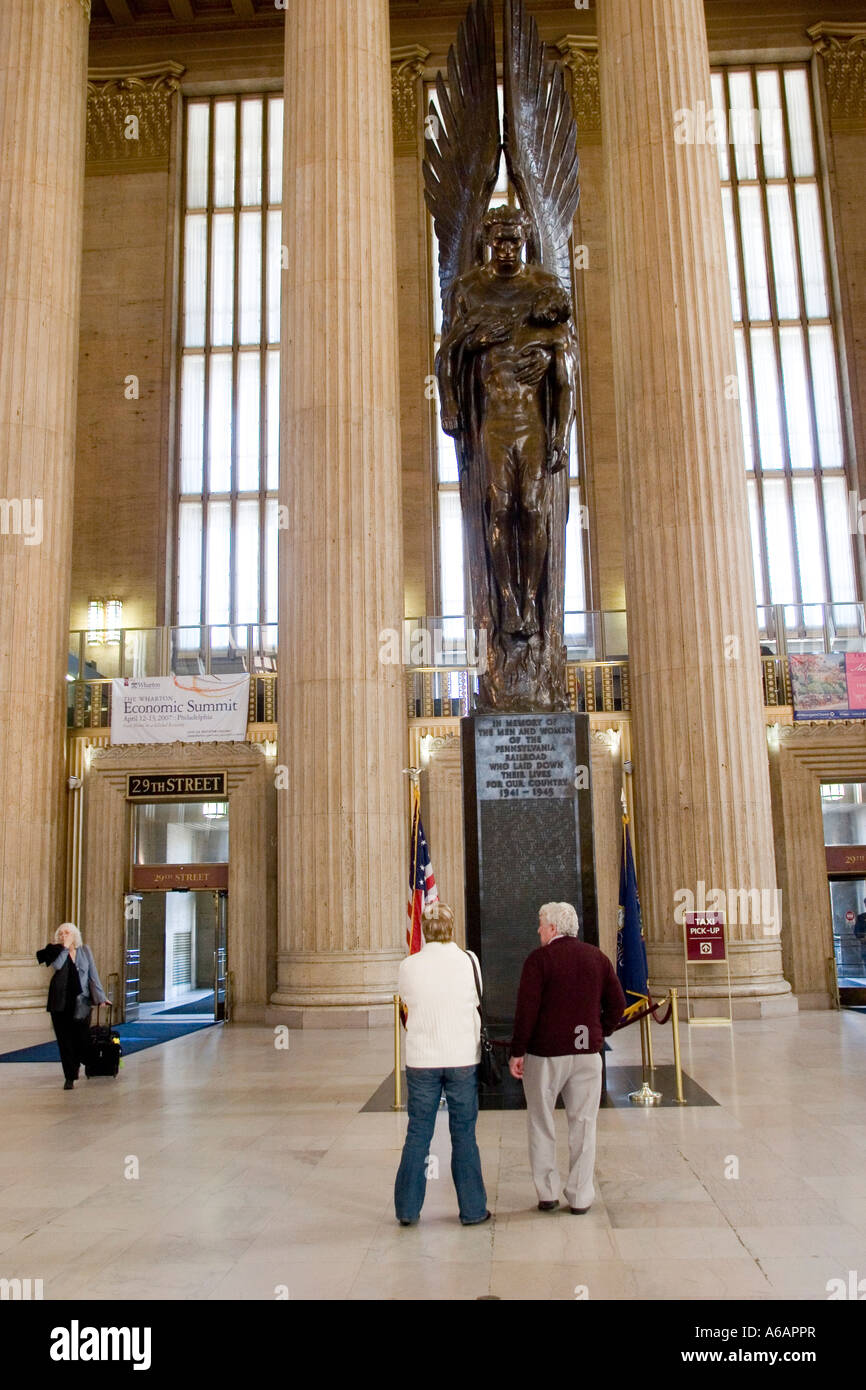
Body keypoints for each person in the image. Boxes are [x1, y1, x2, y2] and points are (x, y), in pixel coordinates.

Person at [509, 902, 625, 1214]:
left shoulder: (539, 960)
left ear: (553, 929)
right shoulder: (596, 957)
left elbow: (527, 1011)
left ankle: (547, 1193)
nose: (538, 930)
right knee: (584, 1124)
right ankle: (580, 1196)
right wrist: (601, 1030)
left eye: (540, 924)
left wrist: (517, 1050)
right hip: (587, 1051)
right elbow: (618, 1004)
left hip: (545, 1053)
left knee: (541, 1121)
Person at [394, 901, 490, 1227]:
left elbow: (406, 1002)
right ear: (451, 928)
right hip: (463, 1057)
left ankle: (407, 1210)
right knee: (464, 1134)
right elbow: (477, 999)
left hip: (422, 1060)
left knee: (418, 1134)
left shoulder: (409, 965)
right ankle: (473, 1210)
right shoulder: (469, 961)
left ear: (423, 929)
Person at [36, 923, 111, 1090]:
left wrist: (101, 998)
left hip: (81, 1001)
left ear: (75, 935)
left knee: (82, 1038)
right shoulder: (54, 950)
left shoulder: (85, 951)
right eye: (61, 933)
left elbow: (93, 975)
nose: (64, 935)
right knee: (65, 1041)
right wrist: (64, 948)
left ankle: (81, 1061)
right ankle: (69, 1076)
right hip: (61, 1003)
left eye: (67, 933)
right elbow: (58, 965)